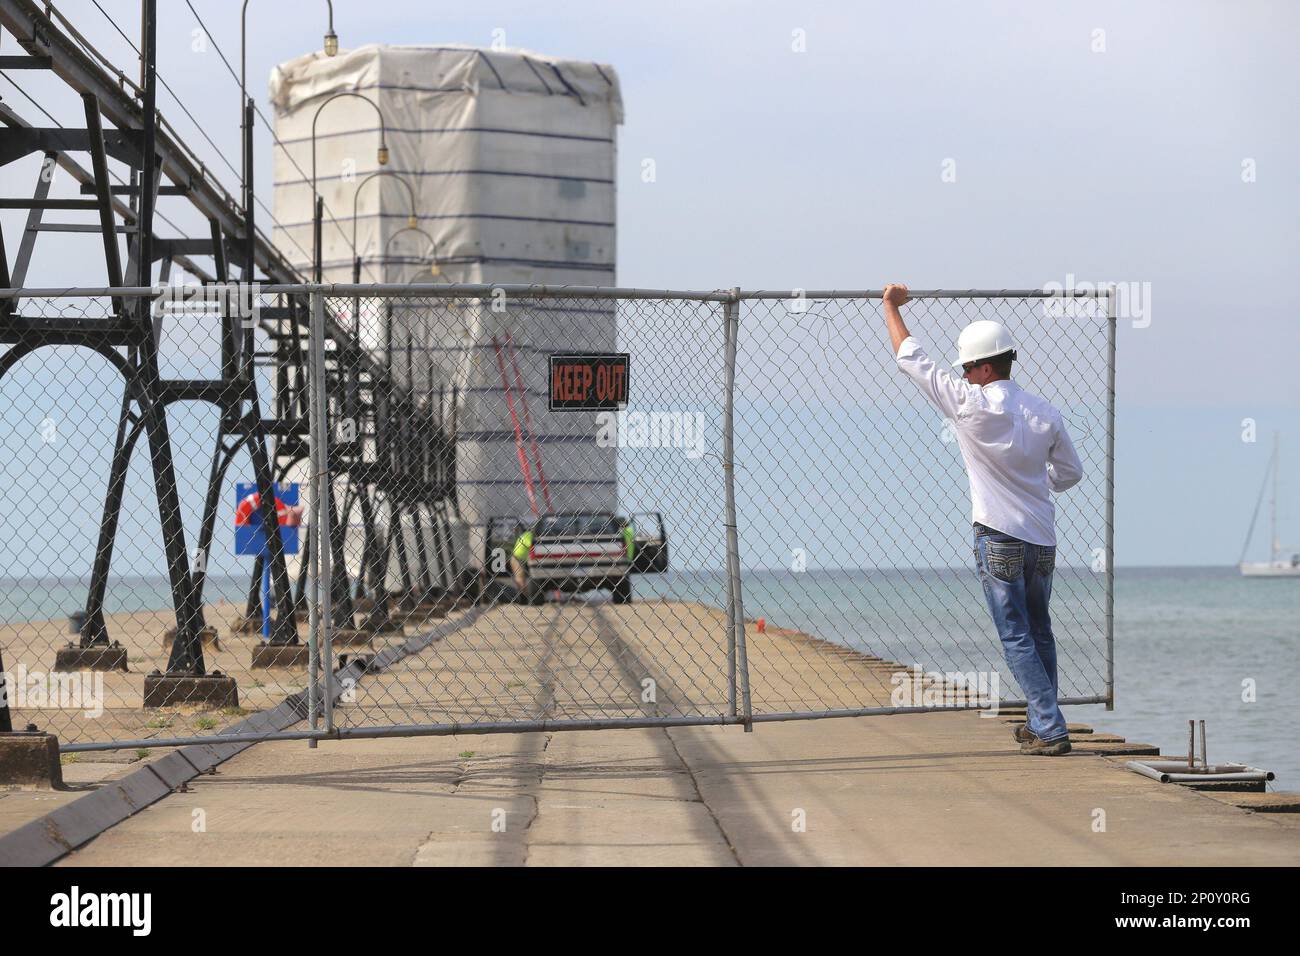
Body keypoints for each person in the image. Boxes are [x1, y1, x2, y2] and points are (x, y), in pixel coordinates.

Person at [882, 283, 1084, 756]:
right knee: (1040, 630)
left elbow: (910, 357)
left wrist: (889, 306)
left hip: (998, 535)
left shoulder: (968, 404)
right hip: (1042, 538)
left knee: (1015, 634)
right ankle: (1041, 722)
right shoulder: (1045, 411)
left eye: (969, 367)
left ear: (985, 366)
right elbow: (1071, 473)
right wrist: (1039, 481)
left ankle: (1051, 727)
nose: (966, 375)